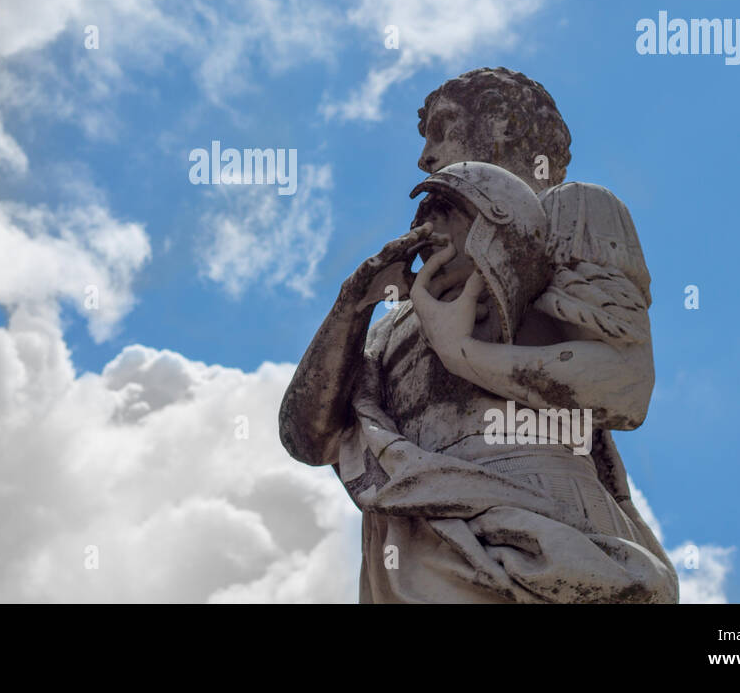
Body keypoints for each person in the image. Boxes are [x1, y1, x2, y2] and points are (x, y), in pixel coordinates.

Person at [279, 68, 677, 603]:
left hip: (542, 521)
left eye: (442, 128)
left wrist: (464, 353)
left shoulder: (568, 208)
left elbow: (623, 386)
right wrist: (352, 307)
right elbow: (309, 438)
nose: (425, 155)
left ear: (506, 125)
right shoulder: (410, 306)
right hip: (411, 535)